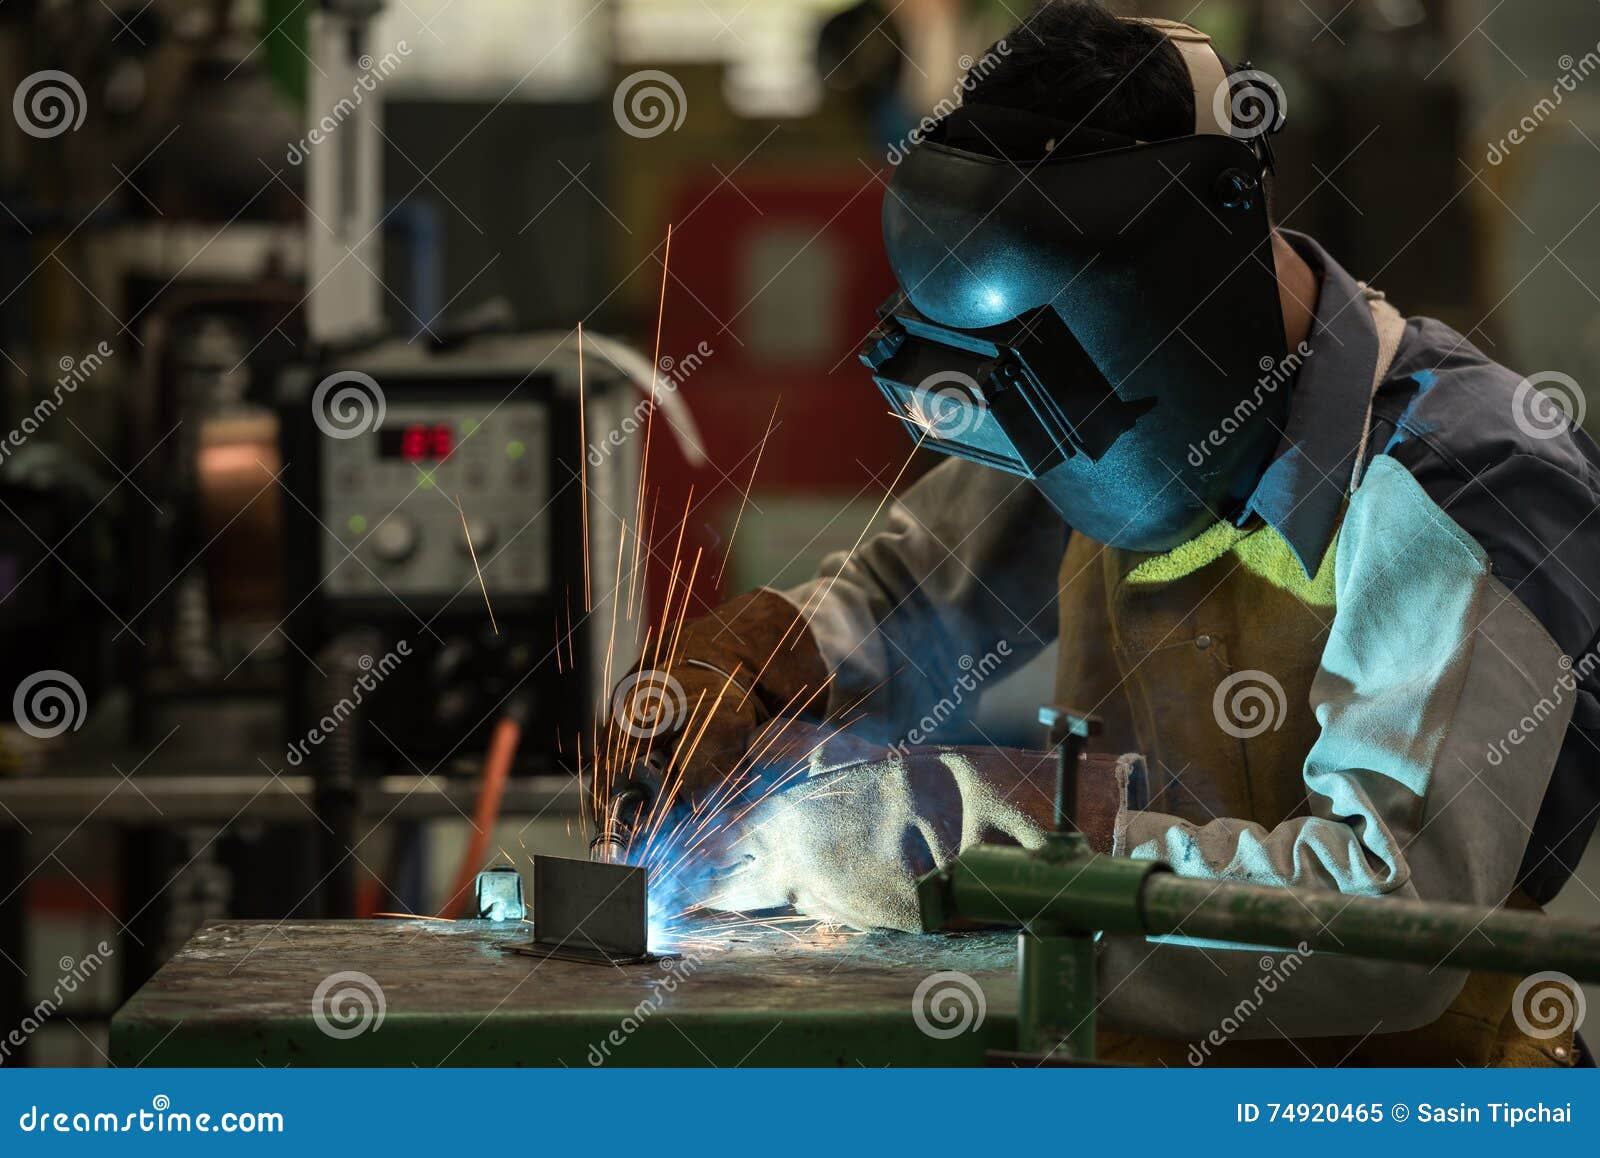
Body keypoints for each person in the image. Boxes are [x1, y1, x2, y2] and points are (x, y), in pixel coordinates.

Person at [604, 2, 1600, 1066]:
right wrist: (760, 666)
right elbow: (906, 601)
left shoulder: (1466, 482)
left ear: (1166, 297)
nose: (1036, 456)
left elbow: (1385, 930)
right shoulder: (1081, 408)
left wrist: (955, 839)